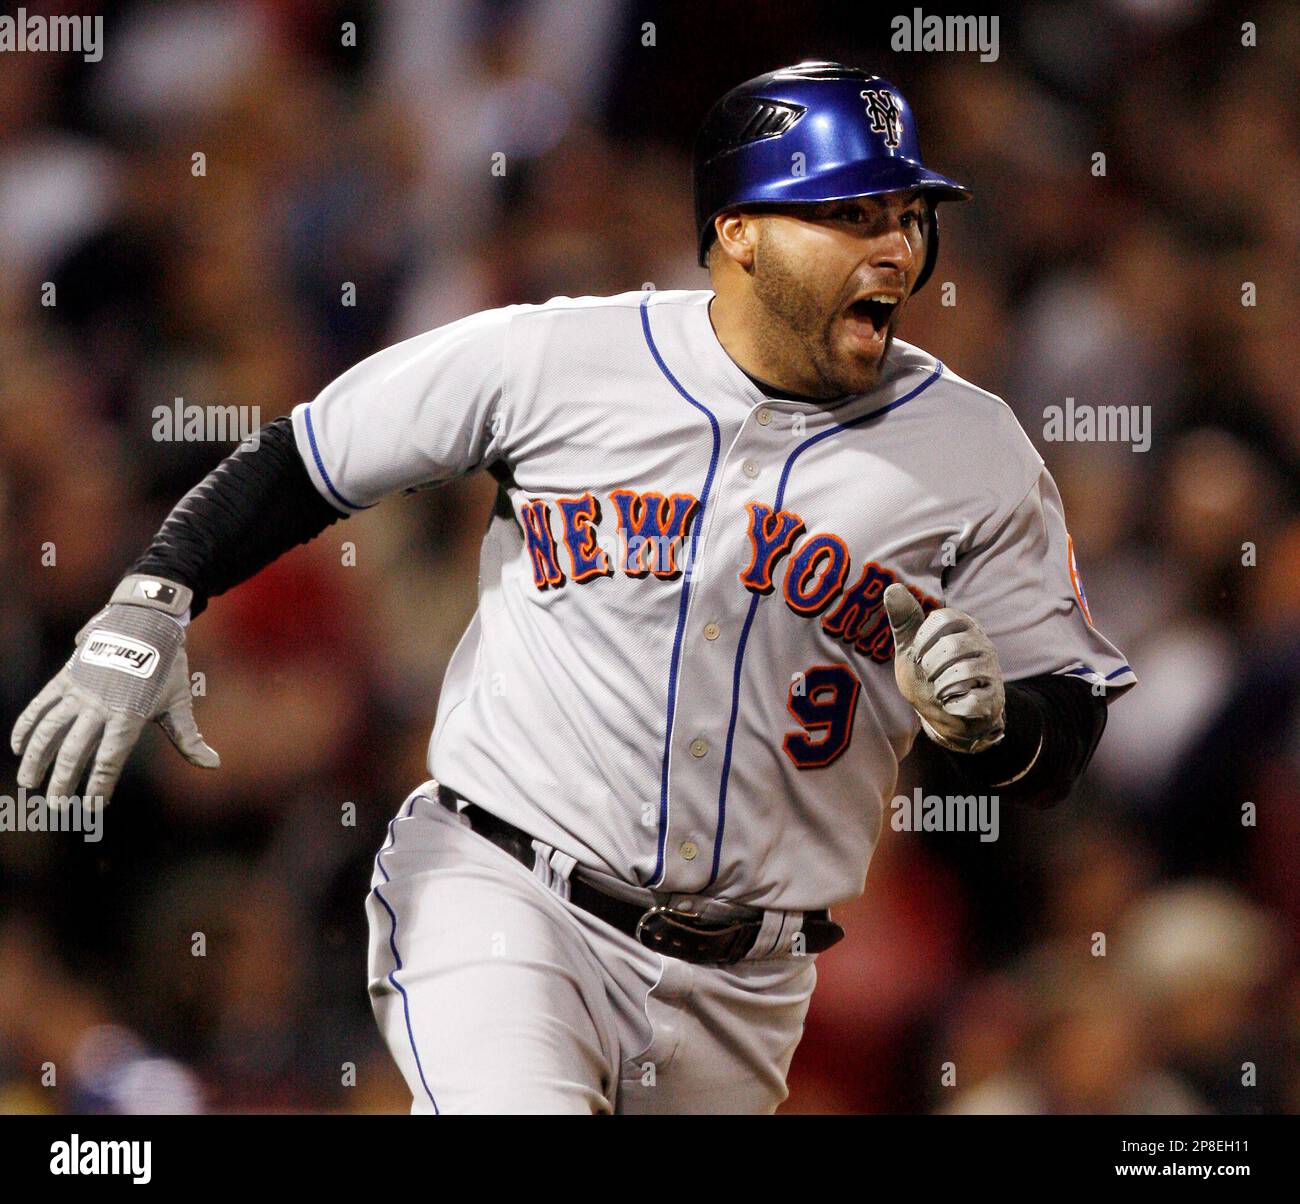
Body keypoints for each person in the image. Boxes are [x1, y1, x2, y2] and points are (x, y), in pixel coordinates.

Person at [10, 62, 1134, 1114]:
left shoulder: (974, 452)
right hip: (504, 893)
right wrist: (152, 601)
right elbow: (307, 459)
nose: (895, 248)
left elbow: (1062, 733)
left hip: (748, 980)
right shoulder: (560, 358)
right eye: (851, 215)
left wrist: (994, 730)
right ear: (737, 234)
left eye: (906, 216)